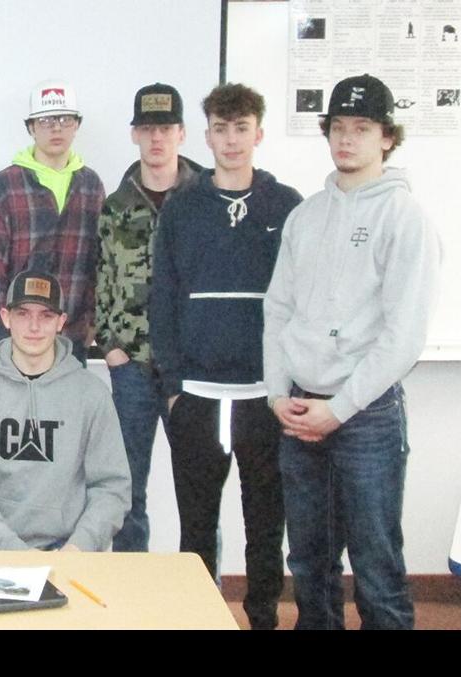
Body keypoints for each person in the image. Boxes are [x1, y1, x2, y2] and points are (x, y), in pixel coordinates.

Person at [263, 74, 441, 630]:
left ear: (387, 137)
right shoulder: (306, 215)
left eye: (362, 128)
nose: (346, 139)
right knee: (309, 565)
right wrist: (277, 395)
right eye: (338, 126)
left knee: (376, 567)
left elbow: (403, 337)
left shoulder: (404, 217)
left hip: (367, 417)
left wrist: (338, 410)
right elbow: (278, 311)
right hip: (298, 412)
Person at [150, 83, 303, 629]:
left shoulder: (287, 206)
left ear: (259, 134)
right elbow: (162, 298)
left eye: (242, 128)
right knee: (196, 527)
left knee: (266, 524)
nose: (231, 140)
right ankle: (198, 618)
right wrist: (173, 386)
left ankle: (262, 617)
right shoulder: (182, 208)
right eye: (221, 128)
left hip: (265, 397)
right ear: (206, 136)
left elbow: (302, 299)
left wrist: (287, 383)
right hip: (196, 397)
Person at [95, 83, 203, 553]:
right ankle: (129, 586)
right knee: (127, 491)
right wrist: (110, 346)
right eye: (147, 129)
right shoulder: (115, 206)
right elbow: (101, 278)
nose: (157, 138)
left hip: (193, 371)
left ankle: (200, 586)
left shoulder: (206, 201)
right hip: (133, 369)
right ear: (134, 134)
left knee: (197, 491)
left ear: (182, 133)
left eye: (166, 128)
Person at [0, 269, 130, 551]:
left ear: (61, 322)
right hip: (2, 554)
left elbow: (112, 487)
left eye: (46, 316)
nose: (34, 326)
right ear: (5, 318)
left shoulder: (92, 394)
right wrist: (16, 553)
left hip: (73, 553)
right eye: (23, 314)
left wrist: (78, 548)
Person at [0, 80, 104, 362]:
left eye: (64, 119)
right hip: (15, 344)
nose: (56, 128)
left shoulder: (91, 186)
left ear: (77, 125)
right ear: (31, 127)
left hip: (72, 342)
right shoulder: (5, 186)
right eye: (46, 120)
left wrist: (91, 325)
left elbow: (99, 264)